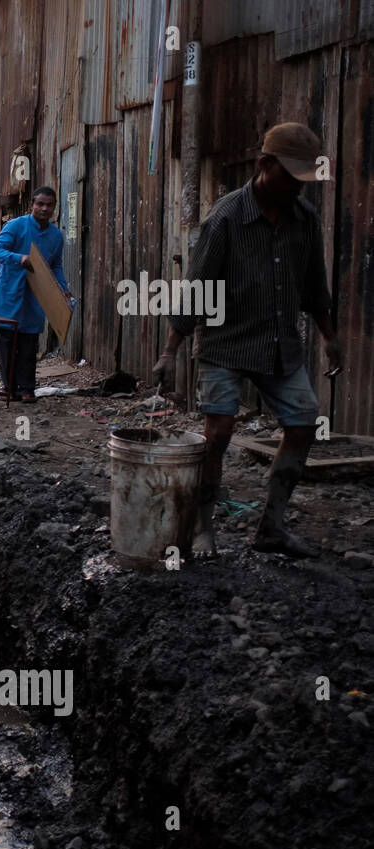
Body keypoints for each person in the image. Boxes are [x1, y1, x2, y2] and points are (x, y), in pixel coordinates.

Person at [153, 122, 340, 560]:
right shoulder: (226, 217)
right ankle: (202, 530)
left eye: (304, 180)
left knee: (302, 422)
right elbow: (197, 288)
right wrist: (170, 350)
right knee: (217, 433)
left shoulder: (304, 219)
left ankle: (271, 527)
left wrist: (330, 337)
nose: (298, 188)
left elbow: (315, 285)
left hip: (279, 344)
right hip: (226, 343)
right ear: (264, 165)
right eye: (291, 178)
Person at [0, 186, 72, 402]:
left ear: (54, 207)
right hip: (9, 291)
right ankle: (9, 388)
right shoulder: (16, 226)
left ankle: (27, 389)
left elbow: (56, 266)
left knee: (28, 343)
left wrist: (62, 287)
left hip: (35, 295)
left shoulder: (55, 236)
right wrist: (19, 258)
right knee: (8, 343)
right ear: (32, 204)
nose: (44, 208)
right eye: (40, 204)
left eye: (49, 205)